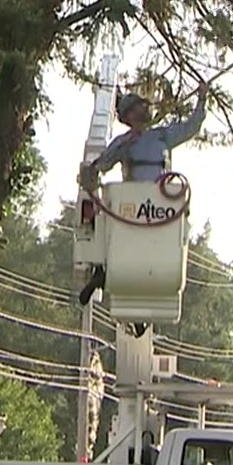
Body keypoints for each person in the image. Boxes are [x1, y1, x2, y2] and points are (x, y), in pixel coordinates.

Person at [76, 87, 209, 306]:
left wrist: (201, 100)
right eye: (139, 106)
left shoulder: (161, 136)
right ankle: (101, 269)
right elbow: (104, 164)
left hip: (160, 202)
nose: (145, 109)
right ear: (129, 114)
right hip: (132, 205)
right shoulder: (124, 142)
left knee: (178, 220)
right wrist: (108, 157)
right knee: (102, 220)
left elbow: (189, 128)